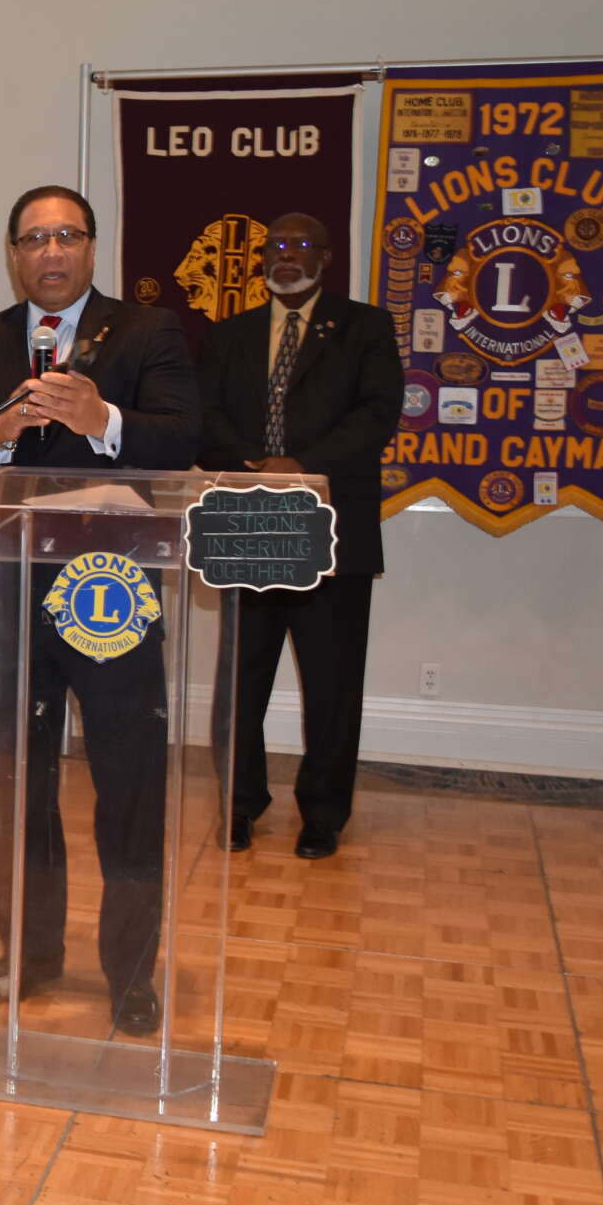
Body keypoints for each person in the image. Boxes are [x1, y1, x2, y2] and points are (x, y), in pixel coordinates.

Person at [0, 184, 200, 1035]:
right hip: (16, 588)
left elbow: (184, 440)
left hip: (113, 587)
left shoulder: (148, 332)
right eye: (34, 238)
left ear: (92, 246)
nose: (51, 251)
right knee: (19, 786)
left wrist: (101, 416)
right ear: (13, 253)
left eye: (66, 235)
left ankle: (131, 973)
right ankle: (31, 953)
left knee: (129, 787)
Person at [198, 213, 399, 860]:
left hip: (333, 530)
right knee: (240, 680)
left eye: (303, 245)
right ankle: (239, 804)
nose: (289, 256)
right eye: (278, 245)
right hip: (248, 525)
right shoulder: (229, 334)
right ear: (264, 258)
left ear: (327, 255)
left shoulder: (366, 327)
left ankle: (324, 813)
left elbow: (377, 414)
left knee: (333, 682)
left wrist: (301, 465)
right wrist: (260, 466)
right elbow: (205, 418)